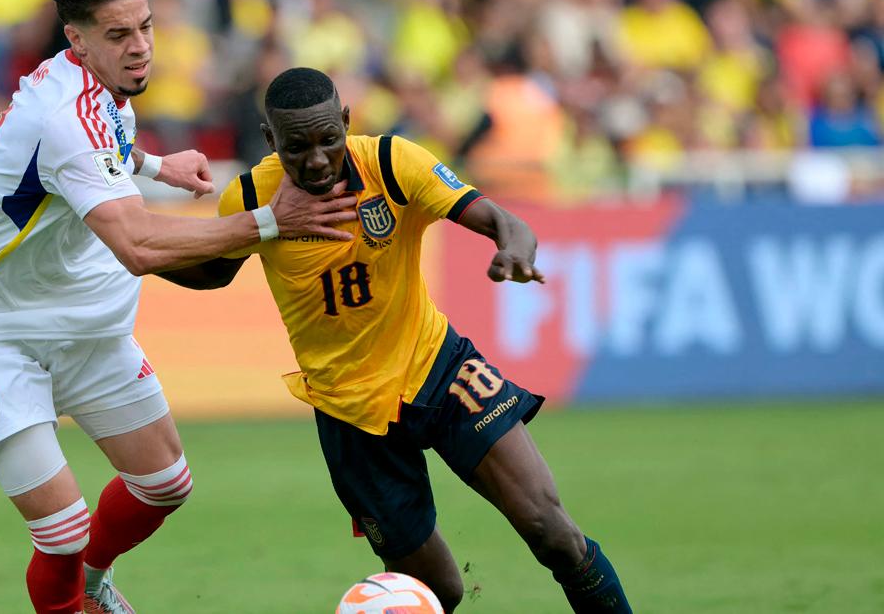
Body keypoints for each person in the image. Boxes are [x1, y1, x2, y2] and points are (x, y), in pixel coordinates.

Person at [0, 0, 357, 613]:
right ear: (77, 39)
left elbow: (100, 143)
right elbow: (138, 245)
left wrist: (155, 165)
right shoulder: (63, 116)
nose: (141, 46)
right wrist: (270, 222)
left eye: (146, 26)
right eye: (119, 34)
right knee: (63, 531)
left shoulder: (95, 85)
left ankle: (94, 588)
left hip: (81, 323)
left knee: (164, 483)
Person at [160, 68, 632, 613]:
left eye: (328, 139)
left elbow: (502, 220)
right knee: (435, 592)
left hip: (440, 370)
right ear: (270, 140)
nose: (317, 160)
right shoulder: (249, 196)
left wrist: (514, 251)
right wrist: (136, 253)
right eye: (296, 147)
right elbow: (213, 273)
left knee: (552, 532)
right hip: (350, 411)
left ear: (346, 121)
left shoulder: (392, 163)